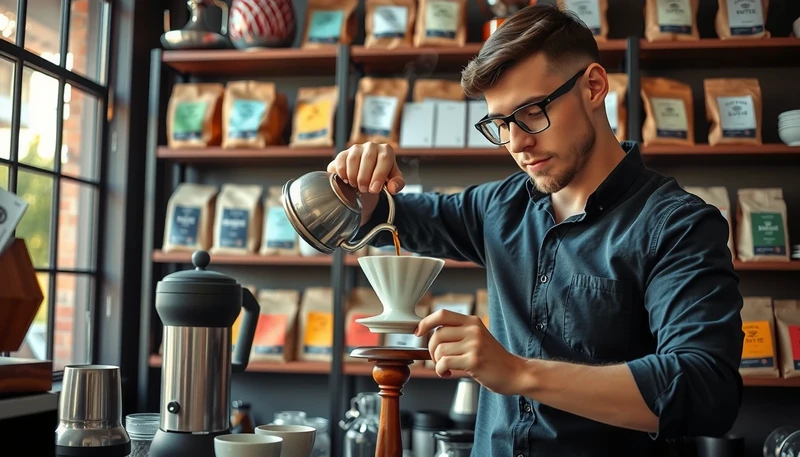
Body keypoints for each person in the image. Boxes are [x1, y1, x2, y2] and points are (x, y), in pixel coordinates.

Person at [328, 4, 744, 456]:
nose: (518, 143)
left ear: (594, 87)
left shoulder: (677, 226)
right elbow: (391, 217)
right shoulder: (499, 207)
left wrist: (518, 372)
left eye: (530, 112)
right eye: (500, 124)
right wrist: (362, 184)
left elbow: (706, 391)